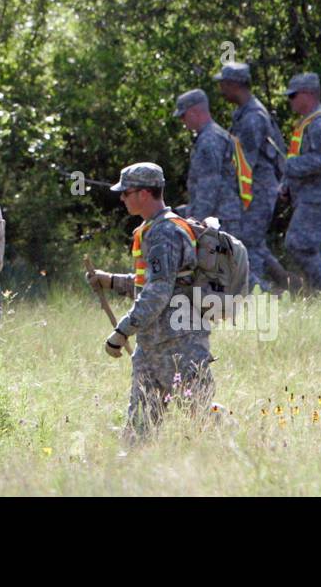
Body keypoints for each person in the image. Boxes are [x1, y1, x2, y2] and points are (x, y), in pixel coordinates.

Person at [86, 162, 214, 439]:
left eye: (126, 192)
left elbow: (158, 291)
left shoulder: (164, 232)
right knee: (139, 426)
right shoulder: (155, 228)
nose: (121, 198)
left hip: (180, 344)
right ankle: (130, 471)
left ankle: (241, 451)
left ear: (144, 193)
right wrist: (111, 280)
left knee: (201, 420)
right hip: (155, 344)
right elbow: (153, 282)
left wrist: (121, 331)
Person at [214, 63, 289, 291]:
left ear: (235, 85)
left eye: (224, 84)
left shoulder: (252, 118)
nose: (221, 90)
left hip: (257, 191)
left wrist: (224, 192)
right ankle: (284, 284)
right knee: (253, 242)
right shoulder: (244, 114)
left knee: (248, 244)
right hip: (254, 190)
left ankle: (261, 296)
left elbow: (244, 164)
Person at [279, 73, 321, 292]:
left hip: (319, 197)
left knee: (298, 244)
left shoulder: (320, 124)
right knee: (317, 249)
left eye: (293, 95)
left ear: (307, 94)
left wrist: (289, 167)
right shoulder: (310, 122)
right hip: (312, 196)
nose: (291, 101)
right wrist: (288, 184)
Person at [172, 88, 243, 228]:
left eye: (183, 116)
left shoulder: (210, 139)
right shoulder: (212, 136)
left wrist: (197, 221)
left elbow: (209, 185)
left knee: (219, 251)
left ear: (194, 112)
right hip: (220, 216)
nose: (182, 121)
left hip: (218, 219)